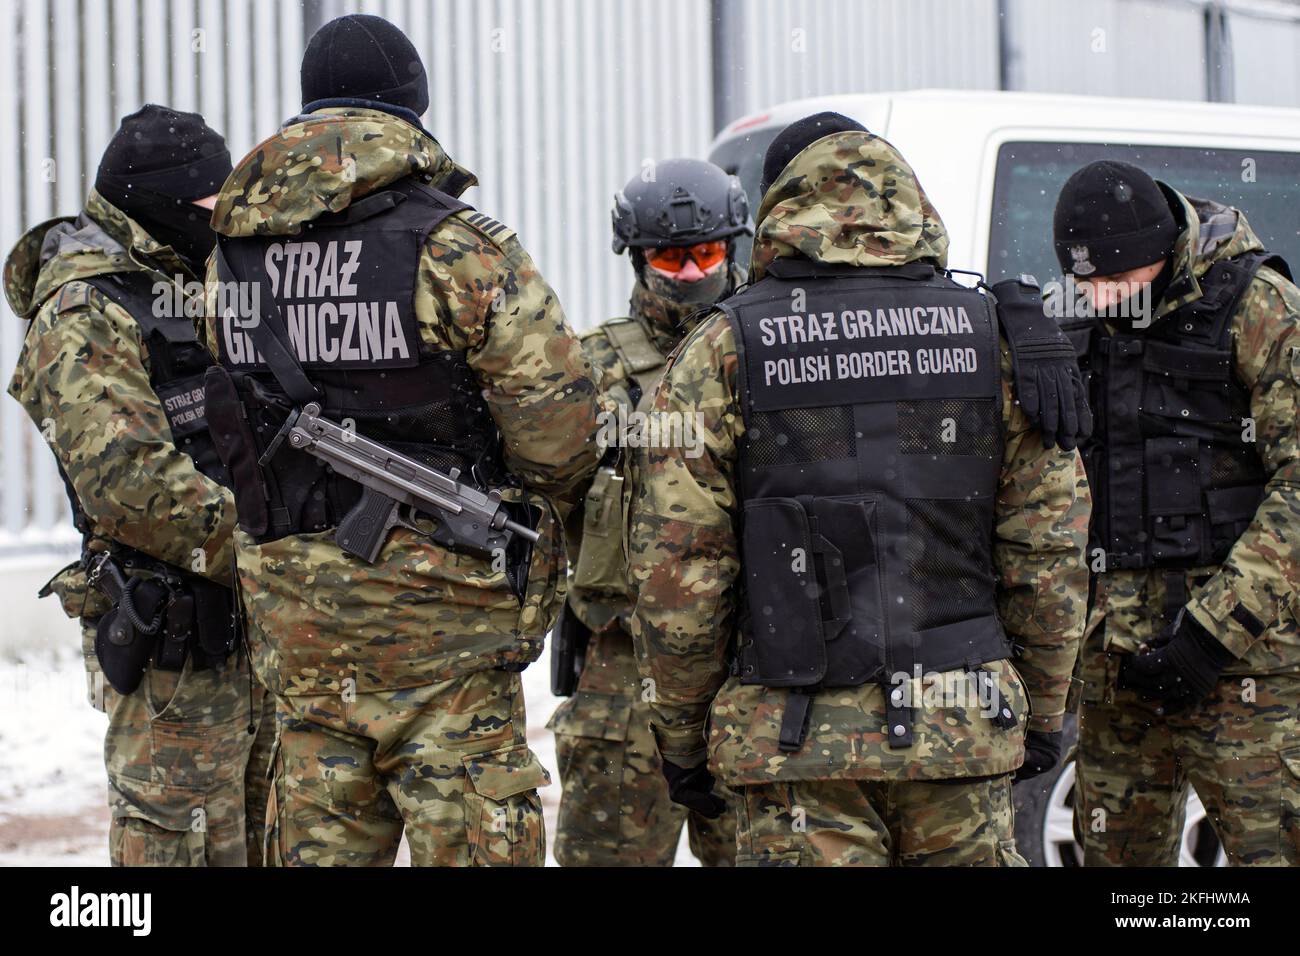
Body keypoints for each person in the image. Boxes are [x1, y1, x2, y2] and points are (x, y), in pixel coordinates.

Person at [629, 112, 1092, 866]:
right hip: (962, 728)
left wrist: (683, 737)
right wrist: (1039, 710)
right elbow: (1050, 547)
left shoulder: (721, 350)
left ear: (781, 203)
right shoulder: (992, 341)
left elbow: (678, 571)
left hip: (797, 741)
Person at [201, 13, 601, 866]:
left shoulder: (227, 260)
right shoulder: (458, 248)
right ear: (412, 110)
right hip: (447, 642)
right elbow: (561, 438)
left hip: (301, 638)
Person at [5, 105, 272, 866]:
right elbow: (130, 486)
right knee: (182, 844)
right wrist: (271, 552)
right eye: (206, 208)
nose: (220, 223)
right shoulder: (83, 308)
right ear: (157, 205)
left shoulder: (193, 285)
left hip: (252, 633)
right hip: (174, 654)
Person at [1055, 159, 1300, 866]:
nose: (1098, 301)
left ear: (1163, 256)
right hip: (1115, 671)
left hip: (1246, 668)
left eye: (1115, 284)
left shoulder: (1260, 309)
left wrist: (1210, 635)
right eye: (1082, 284)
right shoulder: (1072, 317)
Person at [548, 159, 749, 866]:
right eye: (670, 256)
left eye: (708, 254)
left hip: (749, 666)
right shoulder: (590, 364)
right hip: (622, 665)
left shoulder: (764, 352)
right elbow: (544, 499)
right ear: (636, 258)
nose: (691, 273)